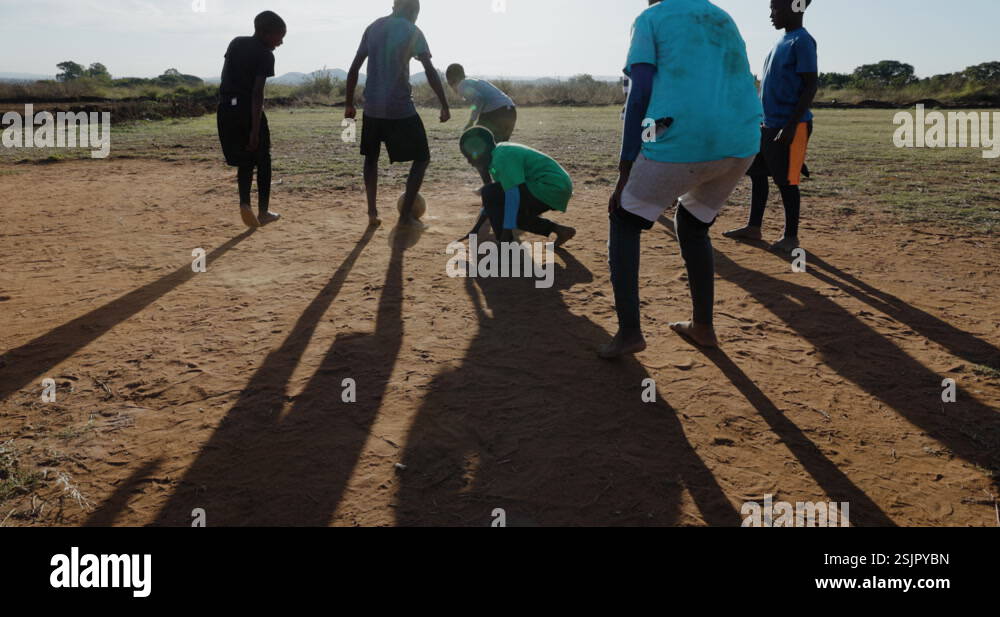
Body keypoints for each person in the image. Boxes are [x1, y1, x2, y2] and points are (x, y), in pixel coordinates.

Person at [601, 0, 762, 358]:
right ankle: (703, 327)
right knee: (692, 225)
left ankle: (629, 333)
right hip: (742, 141)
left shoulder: (651, 18)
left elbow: (639, 91)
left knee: (623, 219)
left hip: (680, 139)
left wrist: (626, 166)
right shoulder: (723, 17)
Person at [345, 0, 450, 228]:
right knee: (422, 158)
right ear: (411, 10)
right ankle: (404, 217)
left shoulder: (373, 28)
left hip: (372, 108)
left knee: (371, 159)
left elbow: (354, 68)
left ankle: (372, 212)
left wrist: (348, 104)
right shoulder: (412, 31)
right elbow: (430, 71)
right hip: (399, 108)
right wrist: (444, 104)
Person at [724, 0, 818, 254]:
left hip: (791, 126)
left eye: (775, 8)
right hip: (767, 124)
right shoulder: (782, 41)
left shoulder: (802, 41)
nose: (770, 14)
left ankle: (791, 237)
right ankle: (754, 227)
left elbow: (810, 85)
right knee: (757, 175)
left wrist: (790, 126)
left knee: (788, 181)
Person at [217, 10, 286, 228]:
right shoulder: (265, 54)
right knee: (263, 159)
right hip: (248, 110)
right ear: (266, 33)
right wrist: (255, 130)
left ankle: (244, 204)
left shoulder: (236, 43)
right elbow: (257, 93)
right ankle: (263, 211)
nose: (281, 41)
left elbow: (225, 76)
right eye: (279, 36)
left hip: (226, 108)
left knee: (246, 160)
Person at [459, 127, 576, 246]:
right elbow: (492, 202)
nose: (469, 162)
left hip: (550, 186)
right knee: (501, 204)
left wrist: (505, 233)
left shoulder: (502, 158)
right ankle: (561, 230)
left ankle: (505, 241)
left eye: (470, 156)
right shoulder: (498, 154)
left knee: (495, 197)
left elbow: (511, 195)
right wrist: (476, 228)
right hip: (554, 187)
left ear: (482, 152)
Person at [446, 64, 517, 184]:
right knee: (499, 151)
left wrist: (471, 121)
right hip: (510, 111)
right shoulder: (474, 81)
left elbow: (479, 99)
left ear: (451, 80)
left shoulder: (462, 84)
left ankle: (489, 187)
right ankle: (504, 183)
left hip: (496, 113)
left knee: (477, 148)